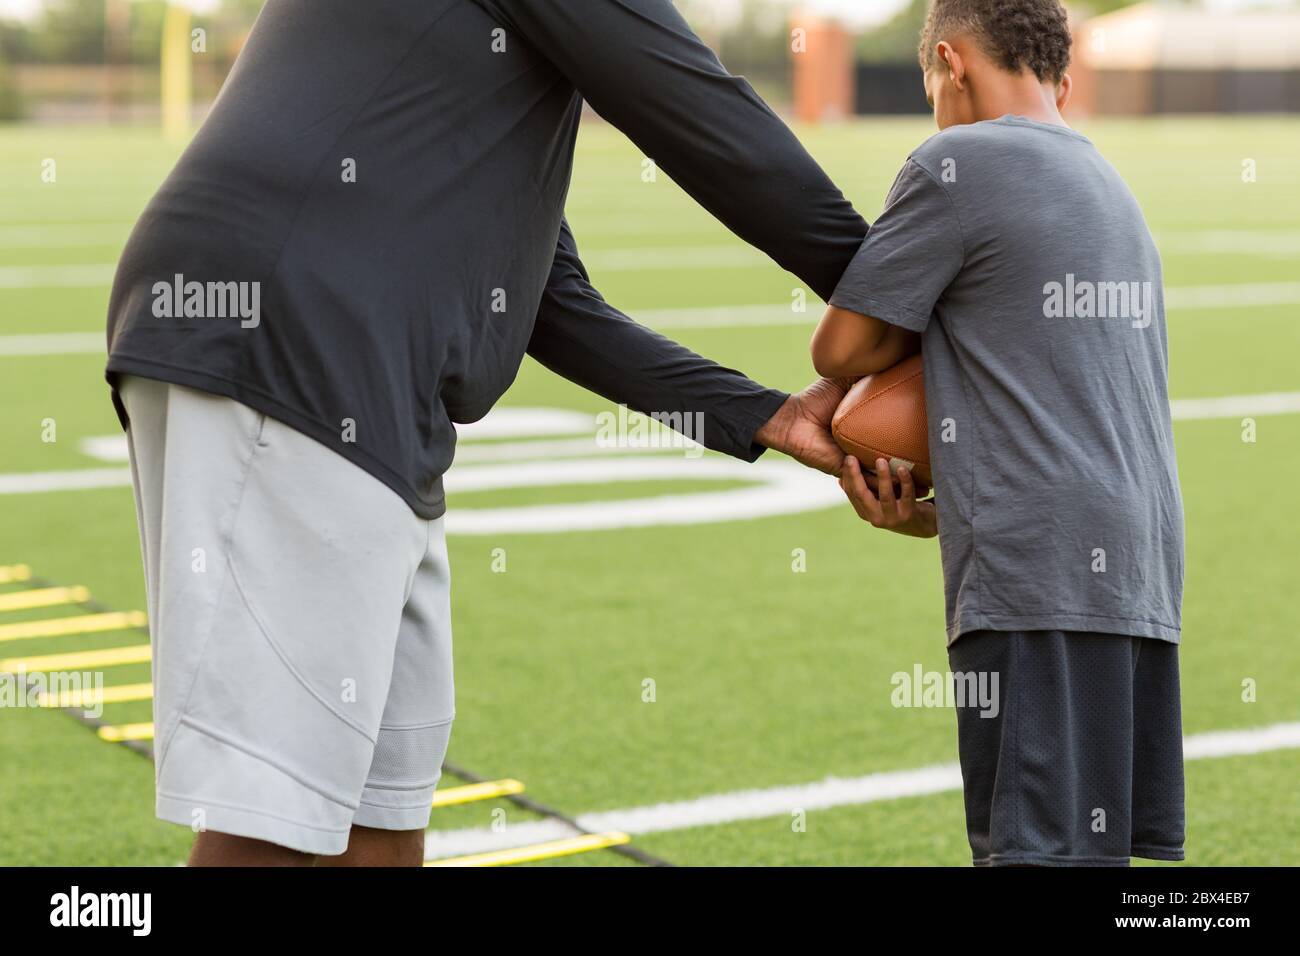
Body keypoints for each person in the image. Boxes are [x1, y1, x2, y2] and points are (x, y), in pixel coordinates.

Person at [106, 0, 864, 866]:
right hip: (292, 336)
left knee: (379, 824)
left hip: (349, 373)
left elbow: (551, 301)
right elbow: (706, 121)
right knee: (277, 829)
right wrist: (910, 305)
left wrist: (768, 415)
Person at [815, 0, 1185, 866]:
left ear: (951, 61)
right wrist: (943, 511)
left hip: (1038, 576)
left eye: (929, 87)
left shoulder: (960, 159)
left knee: (1033, 851)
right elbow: (1064, 401)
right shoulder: (1108, 184)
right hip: (1133, 566)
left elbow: (841, 350)